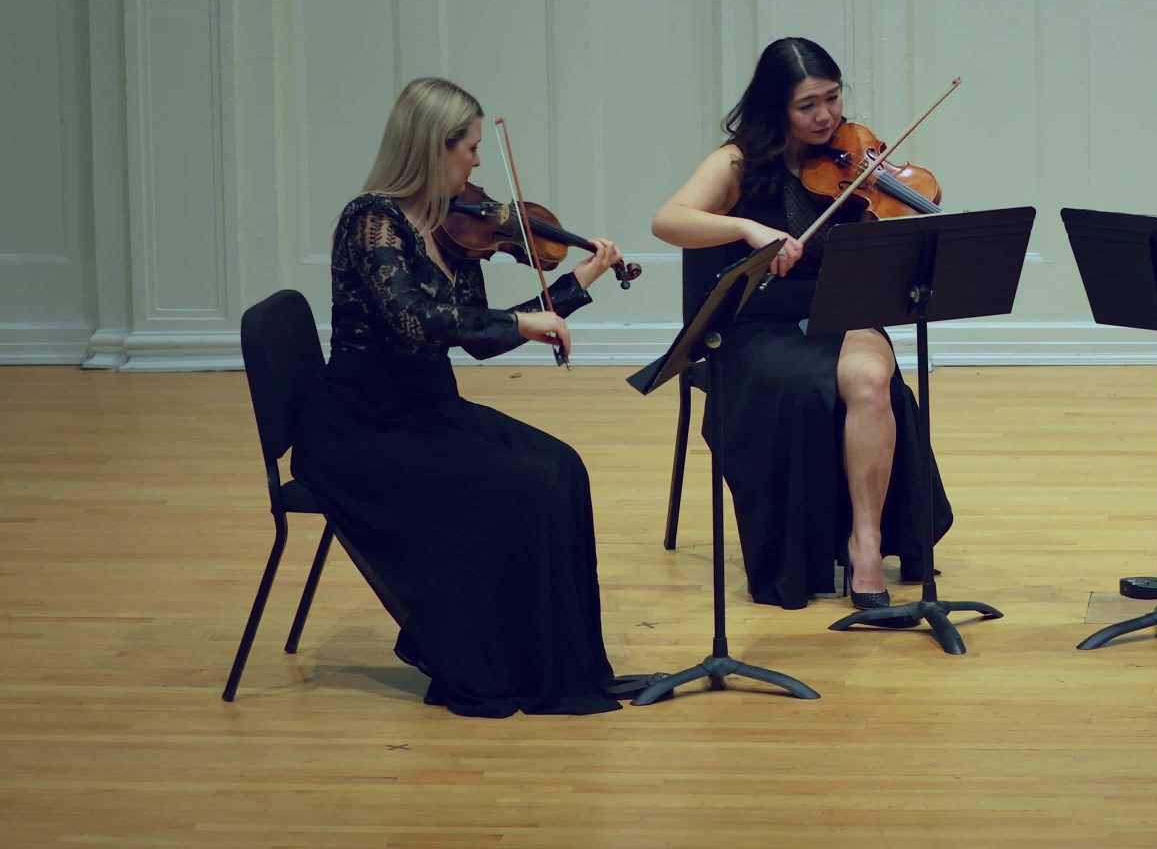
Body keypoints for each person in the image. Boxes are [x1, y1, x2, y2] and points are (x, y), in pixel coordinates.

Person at [291, 77, 640, 717]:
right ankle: (493, 662)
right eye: (469, 149)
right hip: (361, 430)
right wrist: (522, 323)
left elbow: (478, 341)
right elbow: (412, 322)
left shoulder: (457, 228)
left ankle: (562, 663)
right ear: (432, 147)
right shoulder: (372, 221)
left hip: (427, 412)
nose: (479, 164)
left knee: (560, 467)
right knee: (521, 484)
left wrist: (576, 284)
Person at [650, 37, 951, 612]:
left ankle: (866, 543)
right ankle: (808, 546)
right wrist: (744, 228)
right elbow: (668, 220)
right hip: (754, 323)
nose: (826, 117)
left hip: (841, 308)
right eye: (807, 105)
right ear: (774, 108)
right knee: (806, 388)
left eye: (832, 99)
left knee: (869, 381)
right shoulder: (737, 162)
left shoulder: (853, 156)